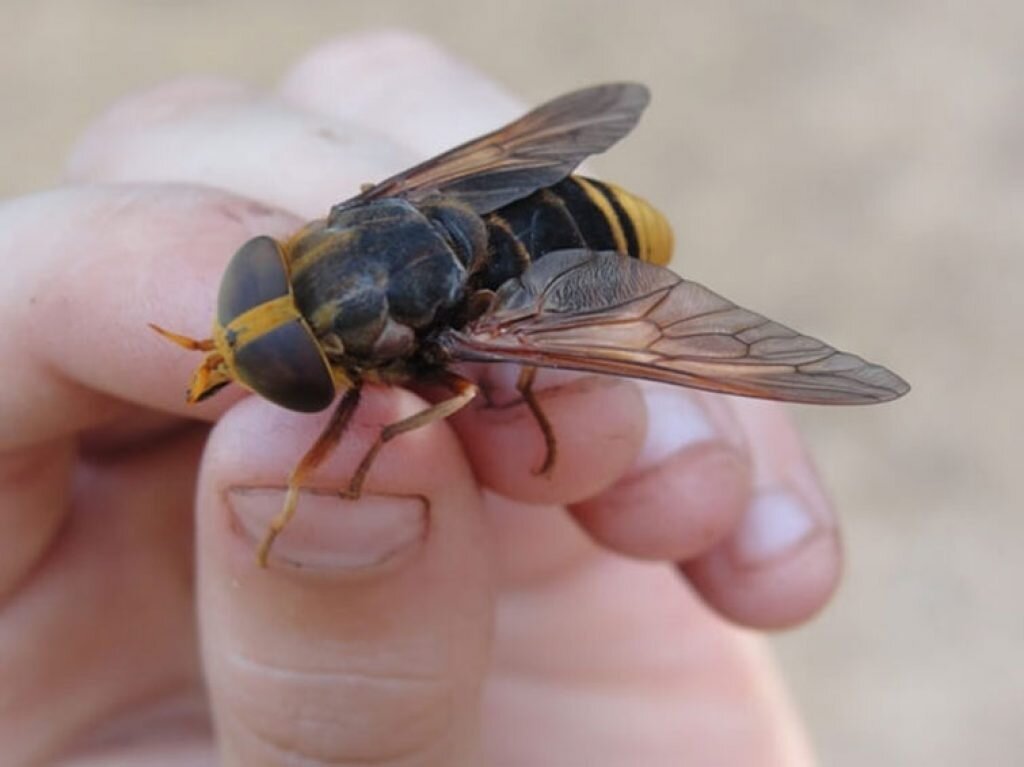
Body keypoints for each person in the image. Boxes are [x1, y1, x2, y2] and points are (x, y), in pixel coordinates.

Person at [0, 31, 840, 766]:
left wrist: (359, 458)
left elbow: (463, 387)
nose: (230, 341)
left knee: (477, 385)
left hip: (586, 244)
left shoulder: (453, 338)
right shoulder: (373, 208)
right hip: (490, 198)